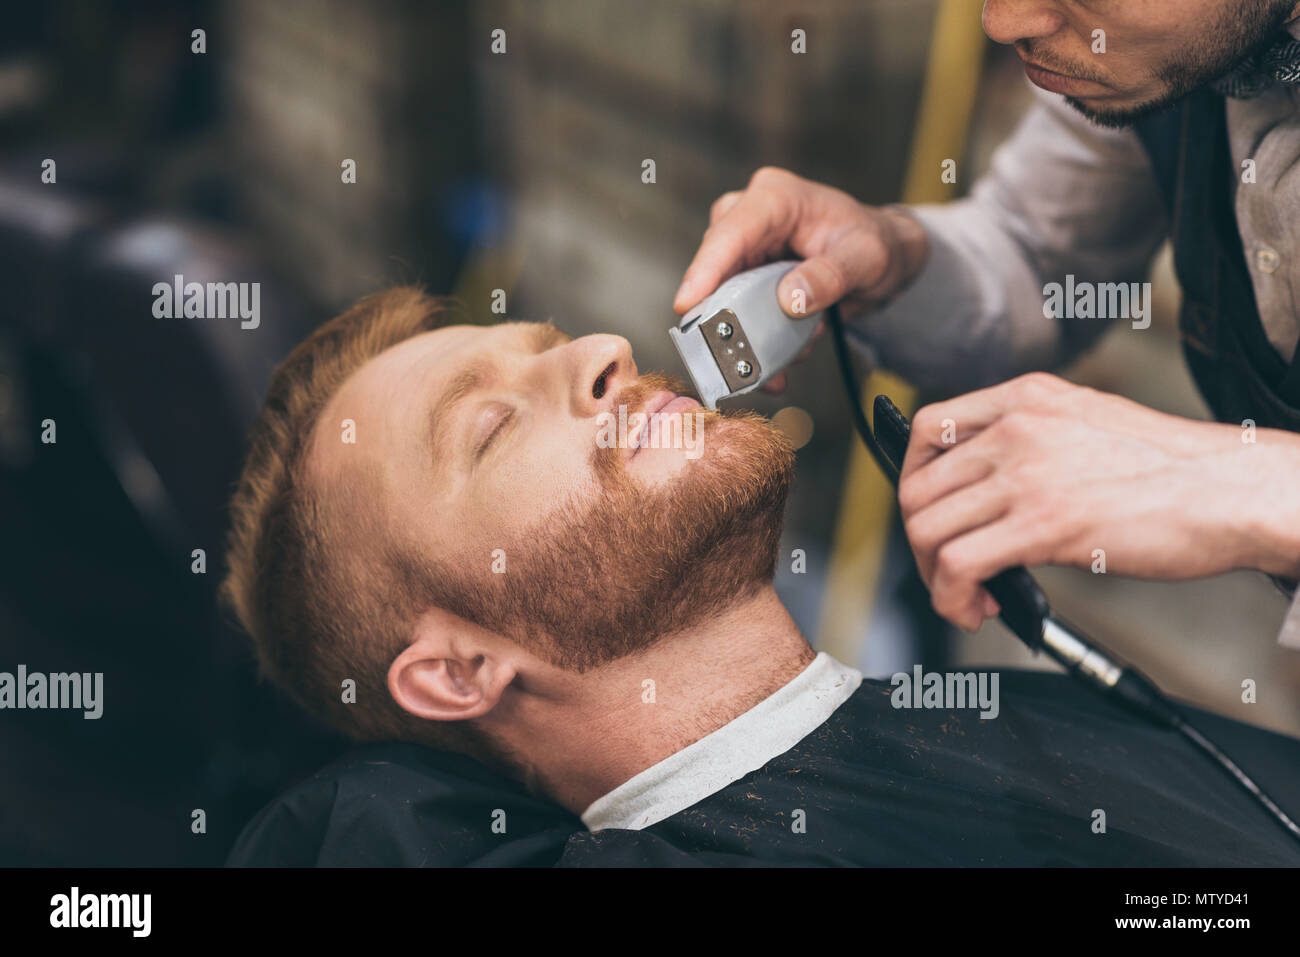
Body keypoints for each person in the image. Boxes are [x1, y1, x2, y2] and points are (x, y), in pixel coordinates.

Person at [222, 287, 1300, 866]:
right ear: (460, 671)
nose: (602, 347)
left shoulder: (992, 720)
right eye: (491, 424)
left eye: (550, 341)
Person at [673, 0, 1300, 640]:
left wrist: (1253, 487)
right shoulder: (1139, 55)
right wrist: (900, 258)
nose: (1003, 22)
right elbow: (1038, 255)